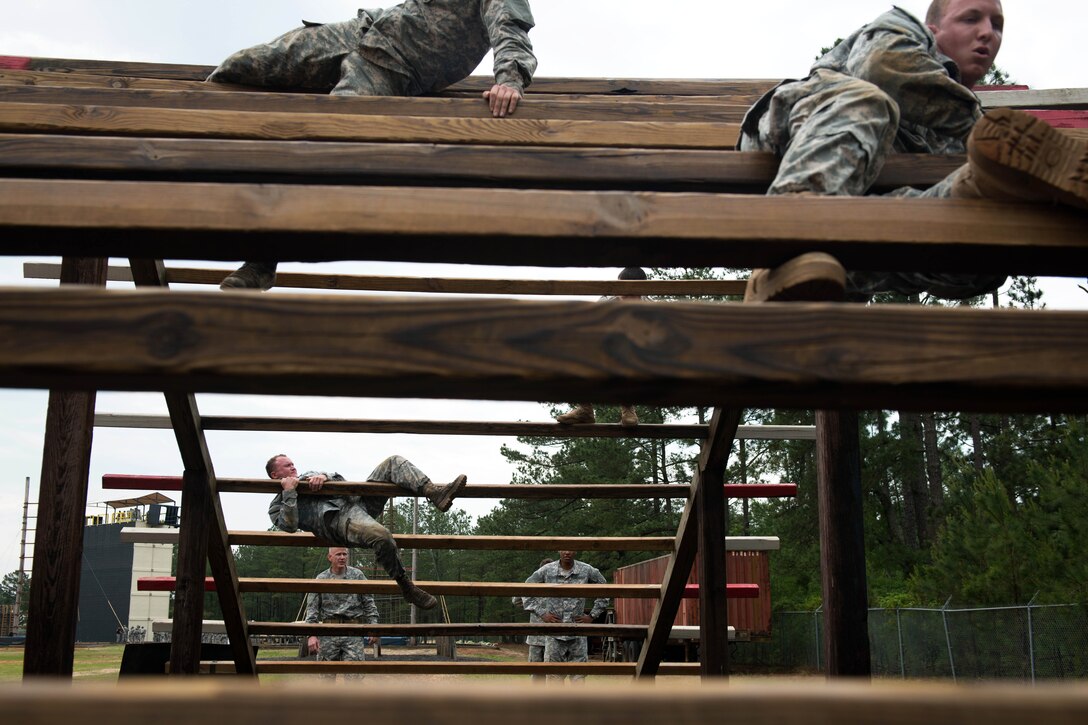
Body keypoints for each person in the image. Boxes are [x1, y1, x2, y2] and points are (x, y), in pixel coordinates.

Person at [739, 0, 1088, 303]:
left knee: (987, 248)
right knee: (870, 103)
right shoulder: (902, 29)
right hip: (797, 138)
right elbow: (881, 67)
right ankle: (786, 244)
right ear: (932, 29)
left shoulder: (961, 140)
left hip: (860, 214)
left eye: (997, 25)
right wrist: (987, 134)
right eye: (971, 18)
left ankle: (816, 265)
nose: (987, 33)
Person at [209, 0, 538, 291]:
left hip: (387, 67)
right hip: (360, 31)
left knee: (322, 152)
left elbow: (510, 25)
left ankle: (261, 262)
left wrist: (509, 79)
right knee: (242, 65)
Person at [266, 453, 467, 609]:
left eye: (292, 463)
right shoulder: (276, 506)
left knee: (392, 462)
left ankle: (434, 492)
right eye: (287, 465)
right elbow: (290, 525)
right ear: (275, 474)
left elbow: (339, 478)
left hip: (357, 500)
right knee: (383, 537)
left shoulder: (307, 476)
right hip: (341, 520)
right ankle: (406, 585)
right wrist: (289, 492)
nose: (293, 467)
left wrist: (324, 476)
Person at [555, 267, 645, 426]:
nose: (625, 297)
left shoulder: (650, 309)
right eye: (622, 291)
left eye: (632, 294)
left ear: (641, 292)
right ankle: (585, 409)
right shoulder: (607, 303)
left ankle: (627, 408)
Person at [522, 550, 609, 683]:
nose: (567, 552)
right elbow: (525, 589)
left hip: (577, 634)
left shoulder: (586, 570)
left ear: (575, 551)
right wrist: (542, 613)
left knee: (578, 678)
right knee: (553, 677)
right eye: (564, 549)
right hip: (554, 634)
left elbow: (606, 590)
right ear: (559, 551)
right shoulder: (547, 570)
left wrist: (592, 615)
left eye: (571, 549)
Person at [304, 547, 379, 678]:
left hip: (352, 632)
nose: (342, 557)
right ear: (330, 557)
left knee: (354, 678)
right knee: (326, 679)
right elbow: (312, 608)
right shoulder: (321, 579)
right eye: (338, 554)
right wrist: (311, 634)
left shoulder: (358, 576)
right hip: (328, 632)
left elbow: (369, 603)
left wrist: (373, 627)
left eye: (345, 554)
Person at [512, 557, 553, 682]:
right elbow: (516, 600)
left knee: (552, 674)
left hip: (554, 639)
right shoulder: (532, 588)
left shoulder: (560, 587)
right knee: (536, 673)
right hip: (536, 638)